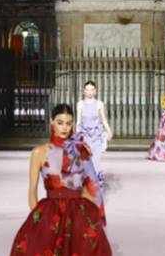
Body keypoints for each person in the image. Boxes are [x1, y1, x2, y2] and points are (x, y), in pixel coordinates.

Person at [10, 104, 109, 256]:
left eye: (69, 123)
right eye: (60, 122)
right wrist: (39, 221)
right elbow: (32, 191)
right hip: (50, 213)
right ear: (51, 122)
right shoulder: (39, 152)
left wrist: (94, 217)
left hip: (79, 213)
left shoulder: (80, 150)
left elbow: (88, 187)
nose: (65, 128)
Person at [76, 80, 113, 177]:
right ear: (83, 91)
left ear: (95, 91)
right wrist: (76, 135)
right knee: (86, 161)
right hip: (85, 137)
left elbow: (104, 120)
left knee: (95, 161)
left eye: (92, 89)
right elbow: (78, 121)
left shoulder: (99, 104)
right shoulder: (80, 104)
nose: (89, 92)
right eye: (87, 89)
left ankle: (94, 185)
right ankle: (87, 185)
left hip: (96, 136)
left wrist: (109, 132)